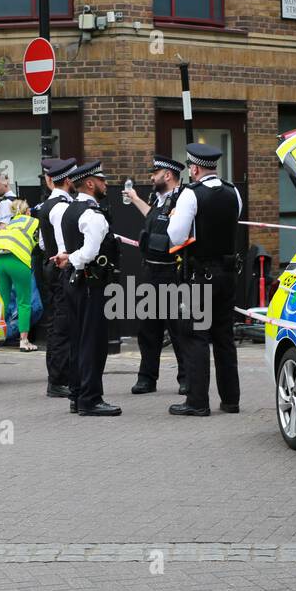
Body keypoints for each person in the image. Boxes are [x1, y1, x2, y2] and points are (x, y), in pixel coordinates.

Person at [165, 142, 242, 417]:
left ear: (194, 168)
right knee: (224, 336)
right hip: (229, 273)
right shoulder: (234, 192)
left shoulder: (190, 195)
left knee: (195, 336)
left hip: (200, 275)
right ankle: (231, 399)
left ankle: (197, 401)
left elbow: (175, 236)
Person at [52, 160, 121, 417]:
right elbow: (90, 252)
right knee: (93, 343)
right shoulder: (93, 214)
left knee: (78, 341)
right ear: (91, 183)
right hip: (91, 283)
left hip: (73, 281)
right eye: (102, 181)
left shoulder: (68, 211)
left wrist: (67, 258)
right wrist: (71, 259)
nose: (106, 185)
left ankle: (77, 395)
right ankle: (91, 399)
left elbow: (67, 247)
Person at [124, 153, 188, 395]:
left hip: (172, 272)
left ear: (168, 175)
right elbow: (154, 218)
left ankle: (186, 378)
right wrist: (136, 199)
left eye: (155, 173)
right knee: (148, 329)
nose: (151, 177)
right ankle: (147, 378)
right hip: (151, 271)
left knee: (178, 329)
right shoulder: (158, 198)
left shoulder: (183, 198)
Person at [35, 157, 77, 398]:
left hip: (50, 267)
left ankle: (59, 377)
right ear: (68, 181)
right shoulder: (61, 207)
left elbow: (43, 243)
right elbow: (64, 245)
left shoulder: (48, 205)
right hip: (61, 269)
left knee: (58, 324)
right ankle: (59, 380)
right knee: (63, 325)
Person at [0, 199, 40, 352]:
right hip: (18, 260)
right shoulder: (33, 221)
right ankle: (24, 341)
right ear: (28, 211)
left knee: (2, 300)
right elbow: (41, 244)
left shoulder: (10, 222)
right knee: (24, 302)